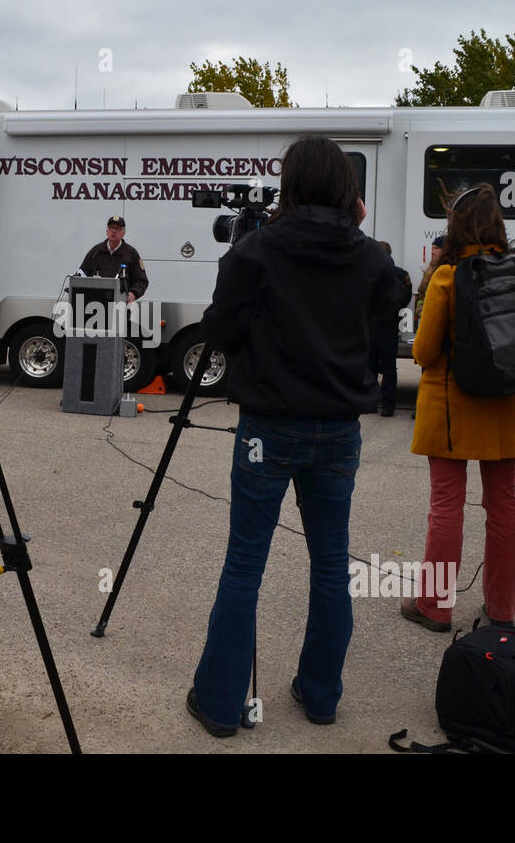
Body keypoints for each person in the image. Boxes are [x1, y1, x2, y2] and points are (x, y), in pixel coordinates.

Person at [187, 135, 404, 737]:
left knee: (245, 565)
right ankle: (321, 694)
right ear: (347, 191)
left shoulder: (257, 250)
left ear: (289, 184)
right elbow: (394, 299)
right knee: (331, 564)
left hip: (269, 424)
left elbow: (221, 329)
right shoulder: (368, 256)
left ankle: (221, 703)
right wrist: (360, 231)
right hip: (337, 429)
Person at [402, 184, 515, 632]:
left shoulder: (447, 275)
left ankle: (435, 607)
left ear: (454, 224)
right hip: (505, 404)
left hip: (452, 407)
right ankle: (502, 610)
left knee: (446, 506)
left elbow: (422, 351)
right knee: (503, 506)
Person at [369, 241, 412, 416]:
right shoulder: (401, 274)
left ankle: (370, 403)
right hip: (389, 326)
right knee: (389, 367)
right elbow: (406, 297)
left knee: (369, 366)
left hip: (371, 326)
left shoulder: (369, 271)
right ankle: (388, 405)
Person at [78, 215, 148, 304]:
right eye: (111, 228)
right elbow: (82, 274)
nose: (114, 231)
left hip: (120, 304)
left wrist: (133, 293)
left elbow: (141, 281)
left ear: (123, 233)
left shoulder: (131, 253)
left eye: (118, 229)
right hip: (94, 303)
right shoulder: (96, 251)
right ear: (107, 231)